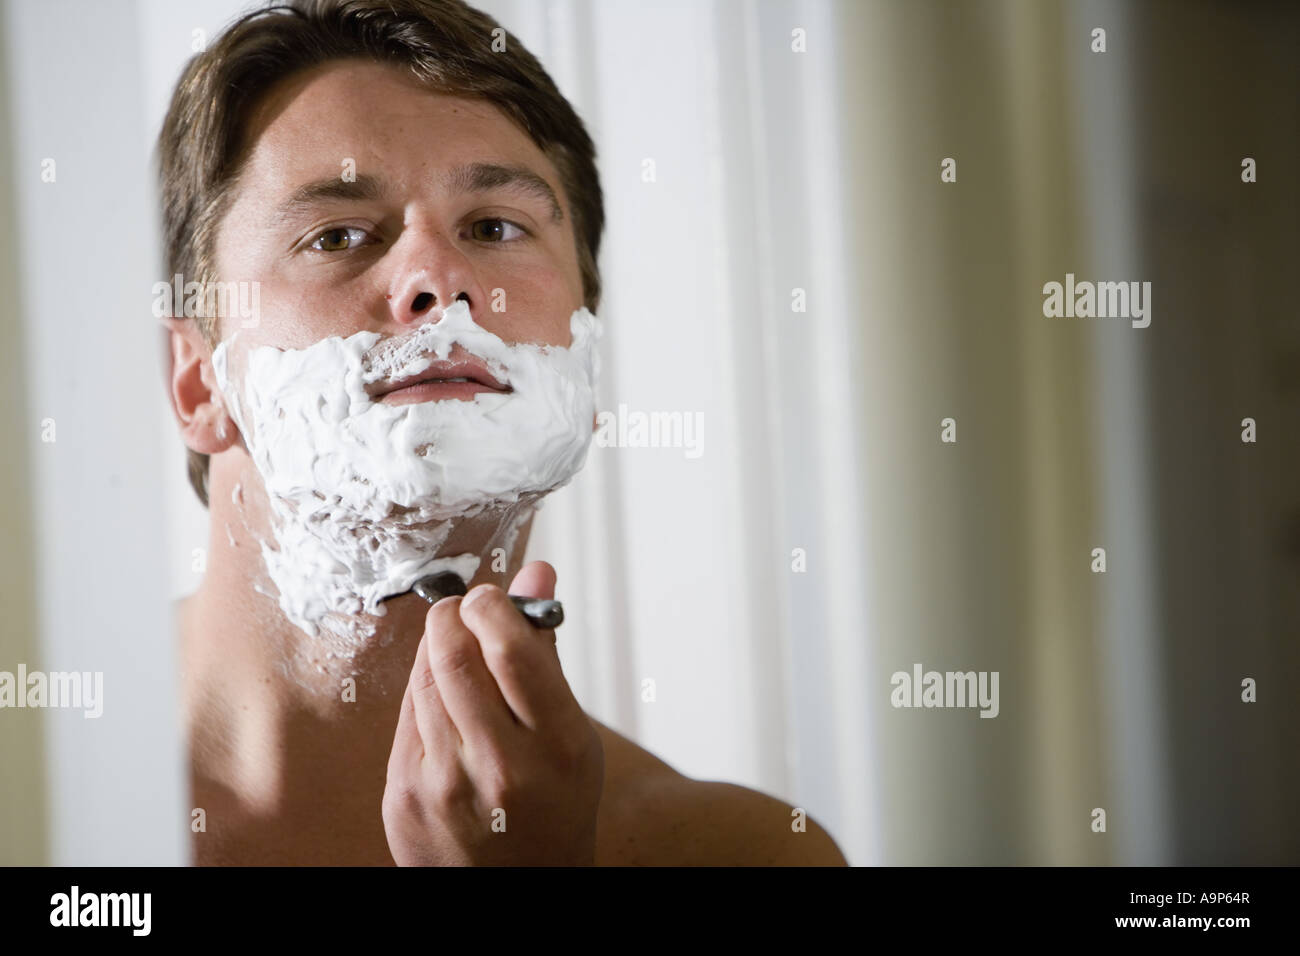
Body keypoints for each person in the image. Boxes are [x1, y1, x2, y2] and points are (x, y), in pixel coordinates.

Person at [160, 0, 847, 865]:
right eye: (336, 235)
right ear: (196, 381)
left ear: (581, 350)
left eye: (494, 227)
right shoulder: (46, 803)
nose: (440, 279)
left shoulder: (738, 853)